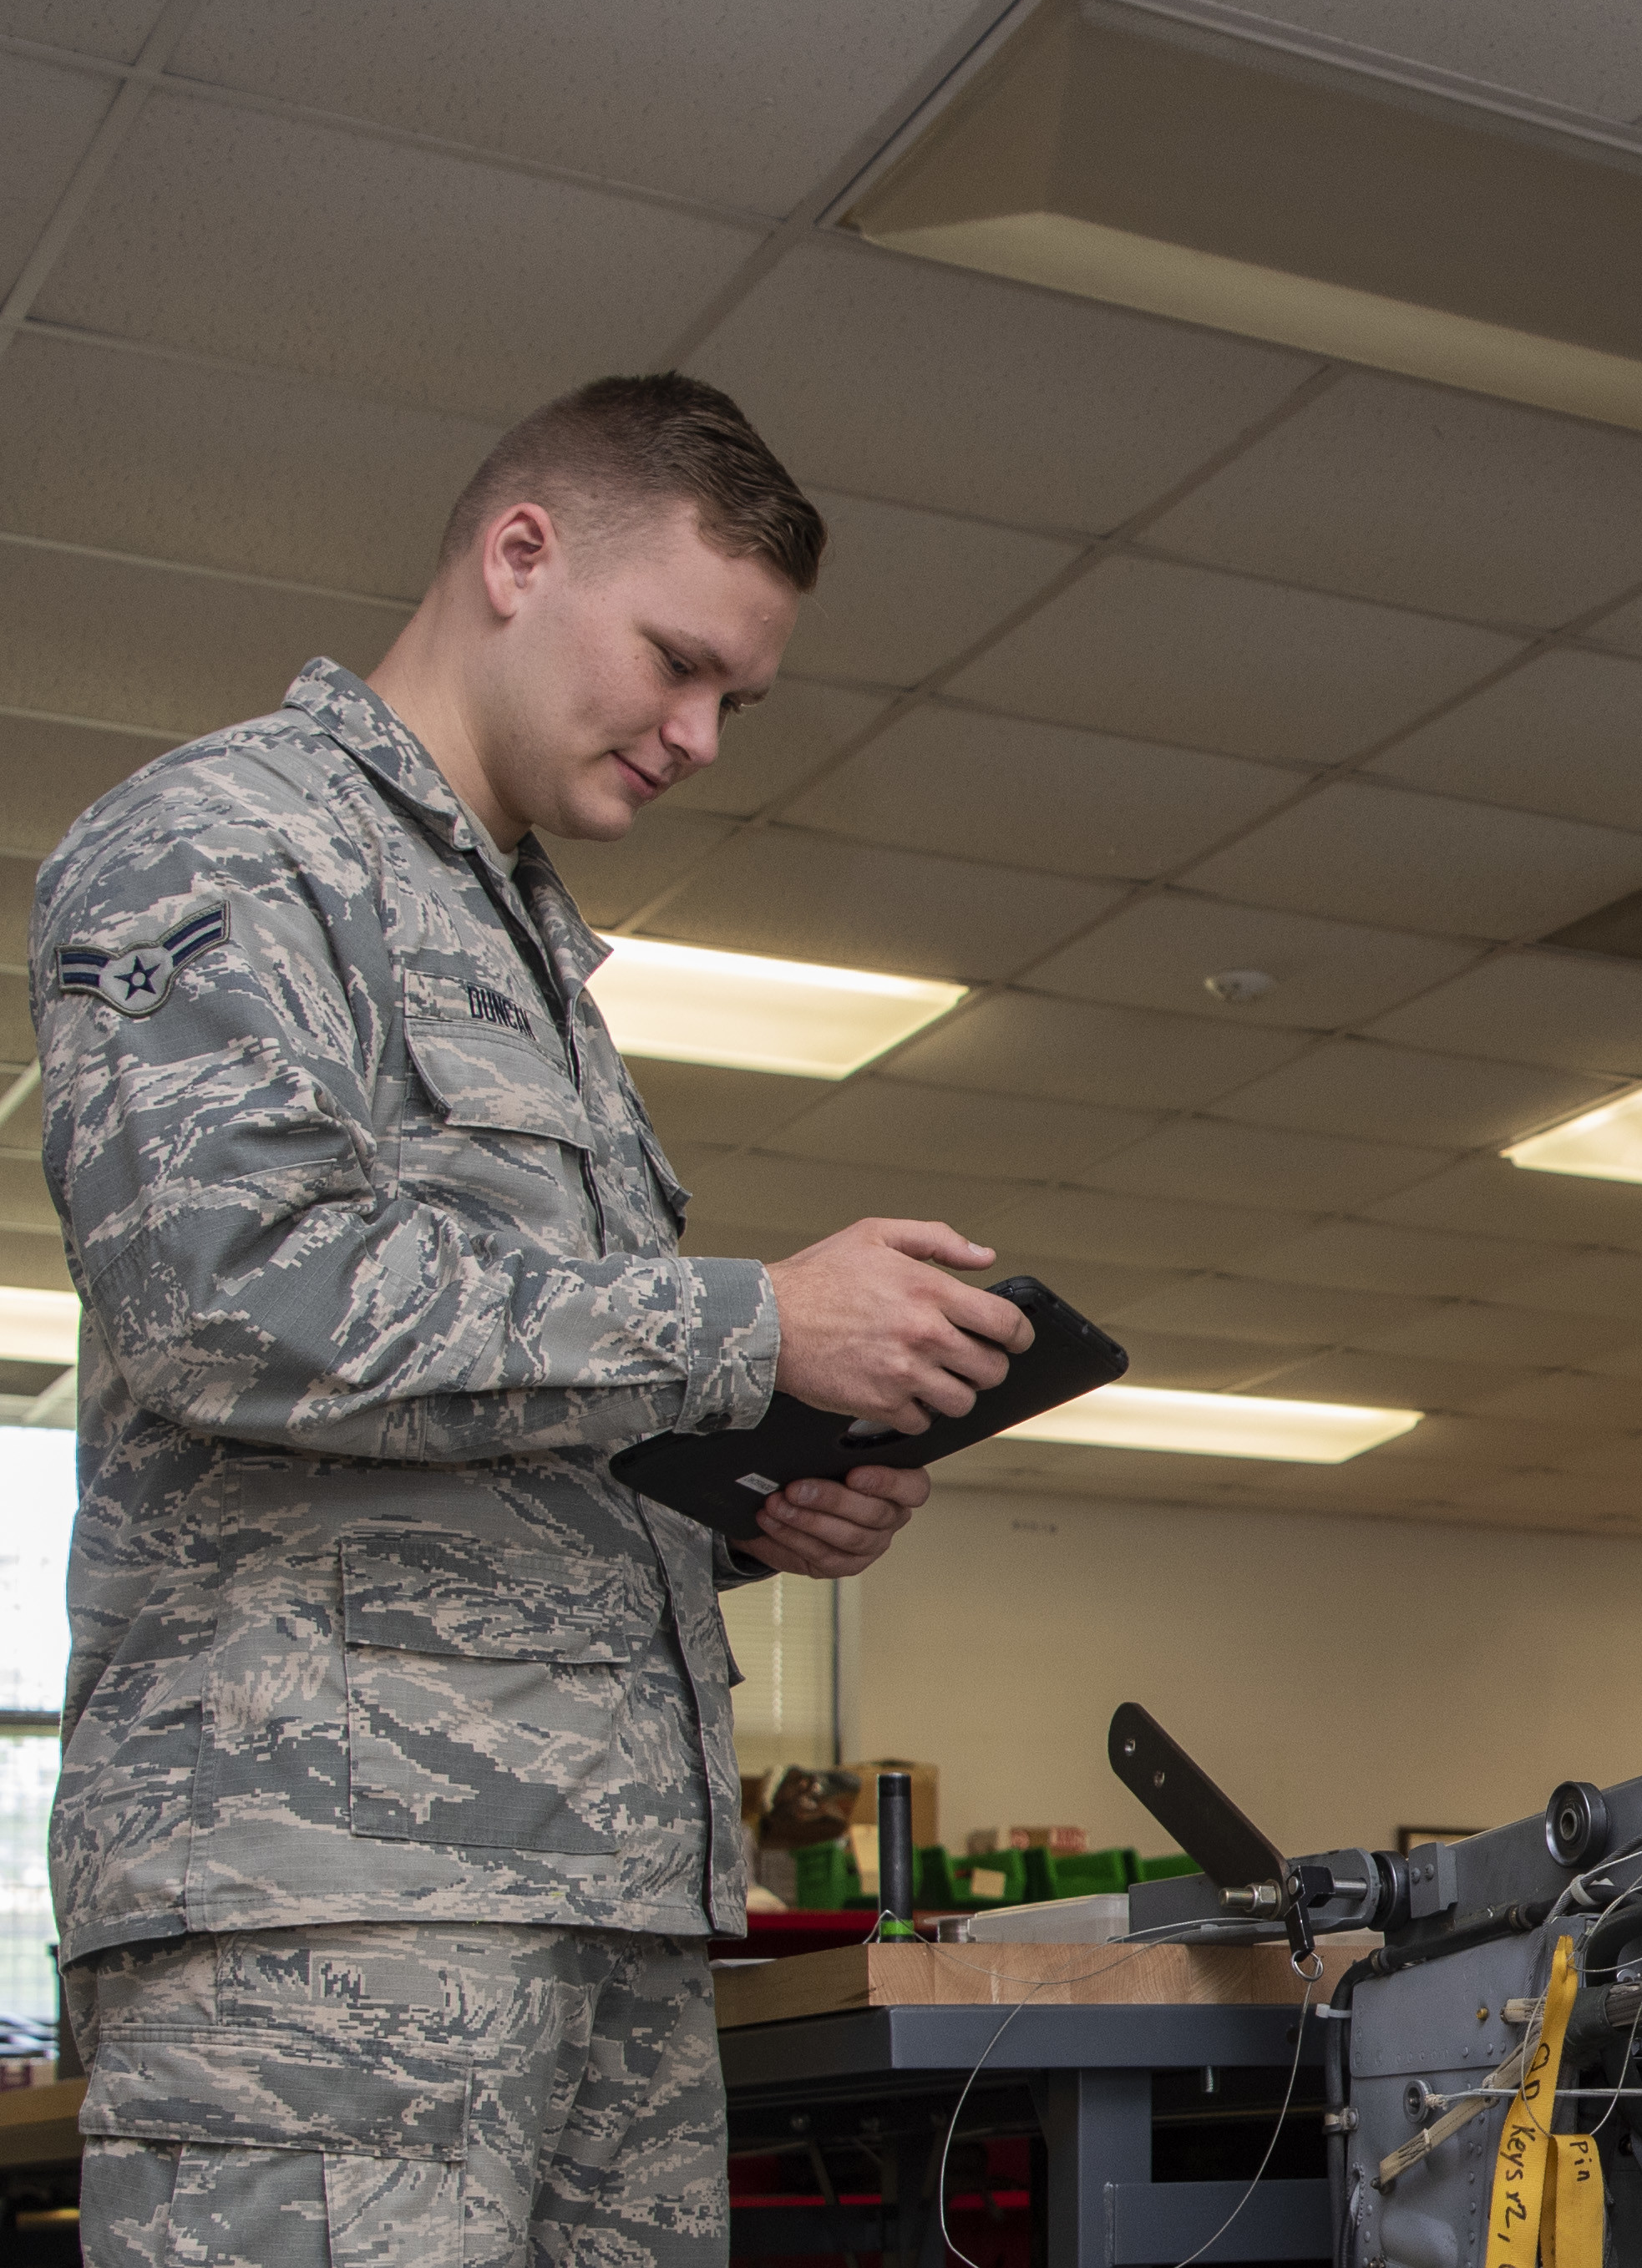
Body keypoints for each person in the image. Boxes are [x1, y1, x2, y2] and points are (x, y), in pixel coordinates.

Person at [30, 373, 1038, 2265]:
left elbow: (484, 1423)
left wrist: (735, 1508)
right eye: (676, 662)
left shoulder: (530, 949)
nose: (701, 734)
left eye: (735, 696)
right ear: (520, 555)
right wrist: (752, 1327)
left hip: (600, 1909)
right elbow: (232, 1301)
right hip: (328, 1912)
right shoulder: (225, 842)